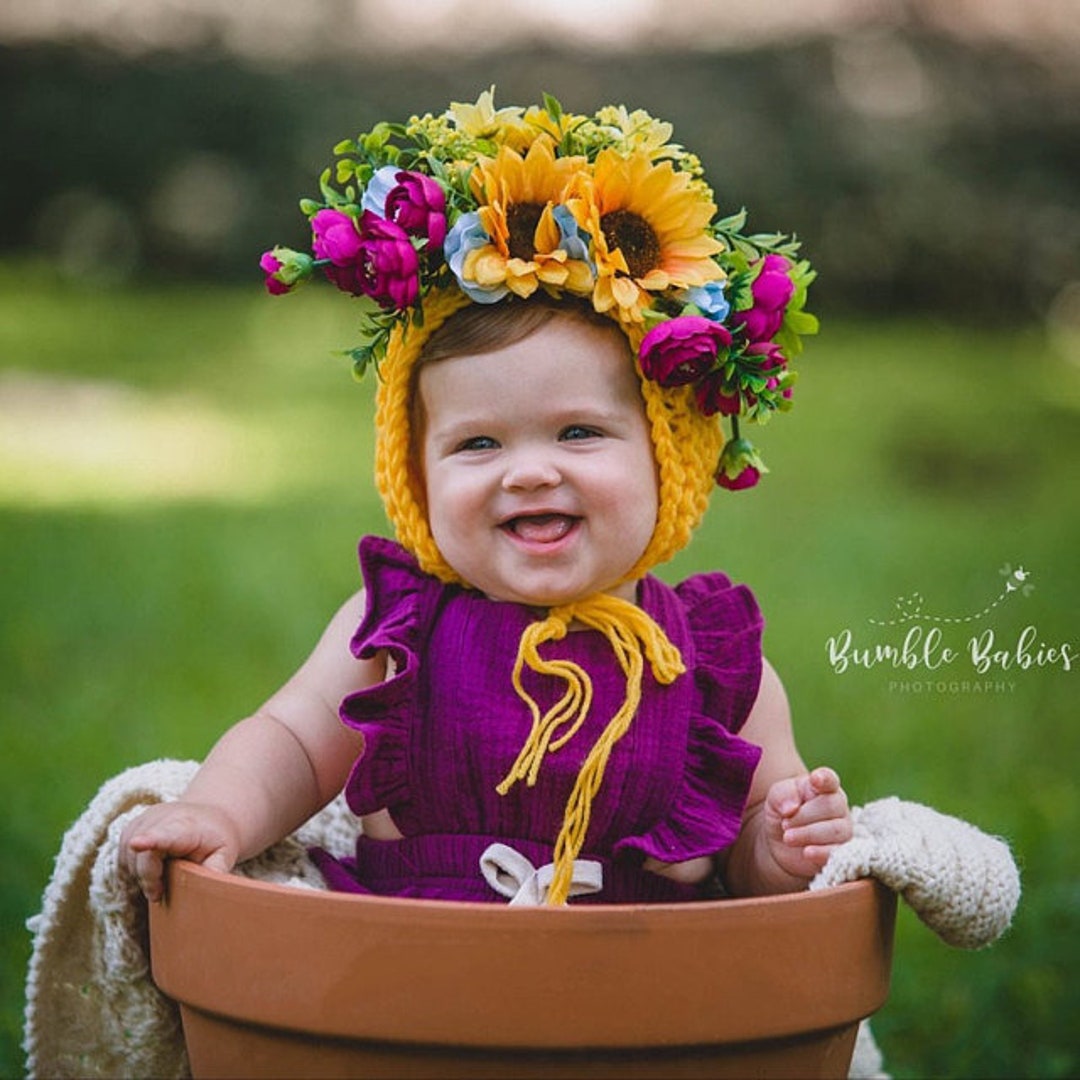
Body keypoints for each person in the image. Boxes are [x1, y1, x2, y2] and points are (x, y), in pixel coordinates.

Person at [121, 91, 852, 906]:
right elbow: (290, 742)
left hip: (641, 976)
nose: (528, 473)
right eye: (478, 444)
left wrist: (780, 846)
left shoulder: (711, 664)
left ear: (668, 457)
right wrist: (218, 812)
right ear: (416, 474)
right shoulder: (395, 629)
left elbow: (742, 852)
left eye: (578, 432)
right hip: (409, 966)